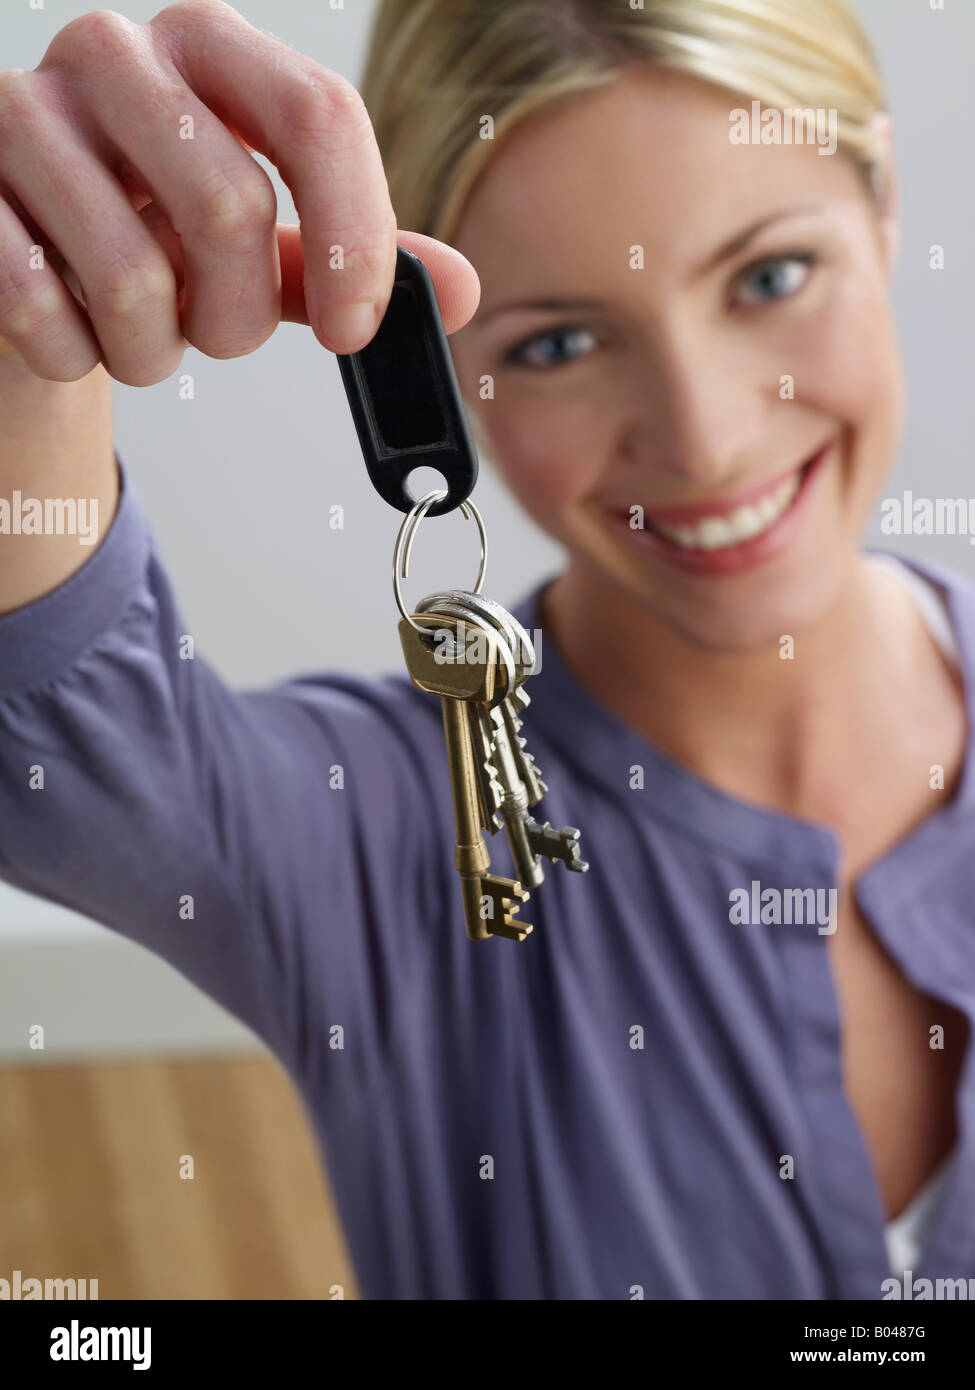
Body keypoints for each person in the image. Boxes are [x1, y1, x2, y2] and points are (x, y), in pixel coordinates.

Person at [0, 0, 971, 1300]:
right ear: (446, 363)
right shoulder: (365, 839)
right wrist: (23, 347)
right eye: (557, 342)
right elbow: (68, 742)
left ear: (885, 198)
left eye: (768, 275)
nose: (708, 440)